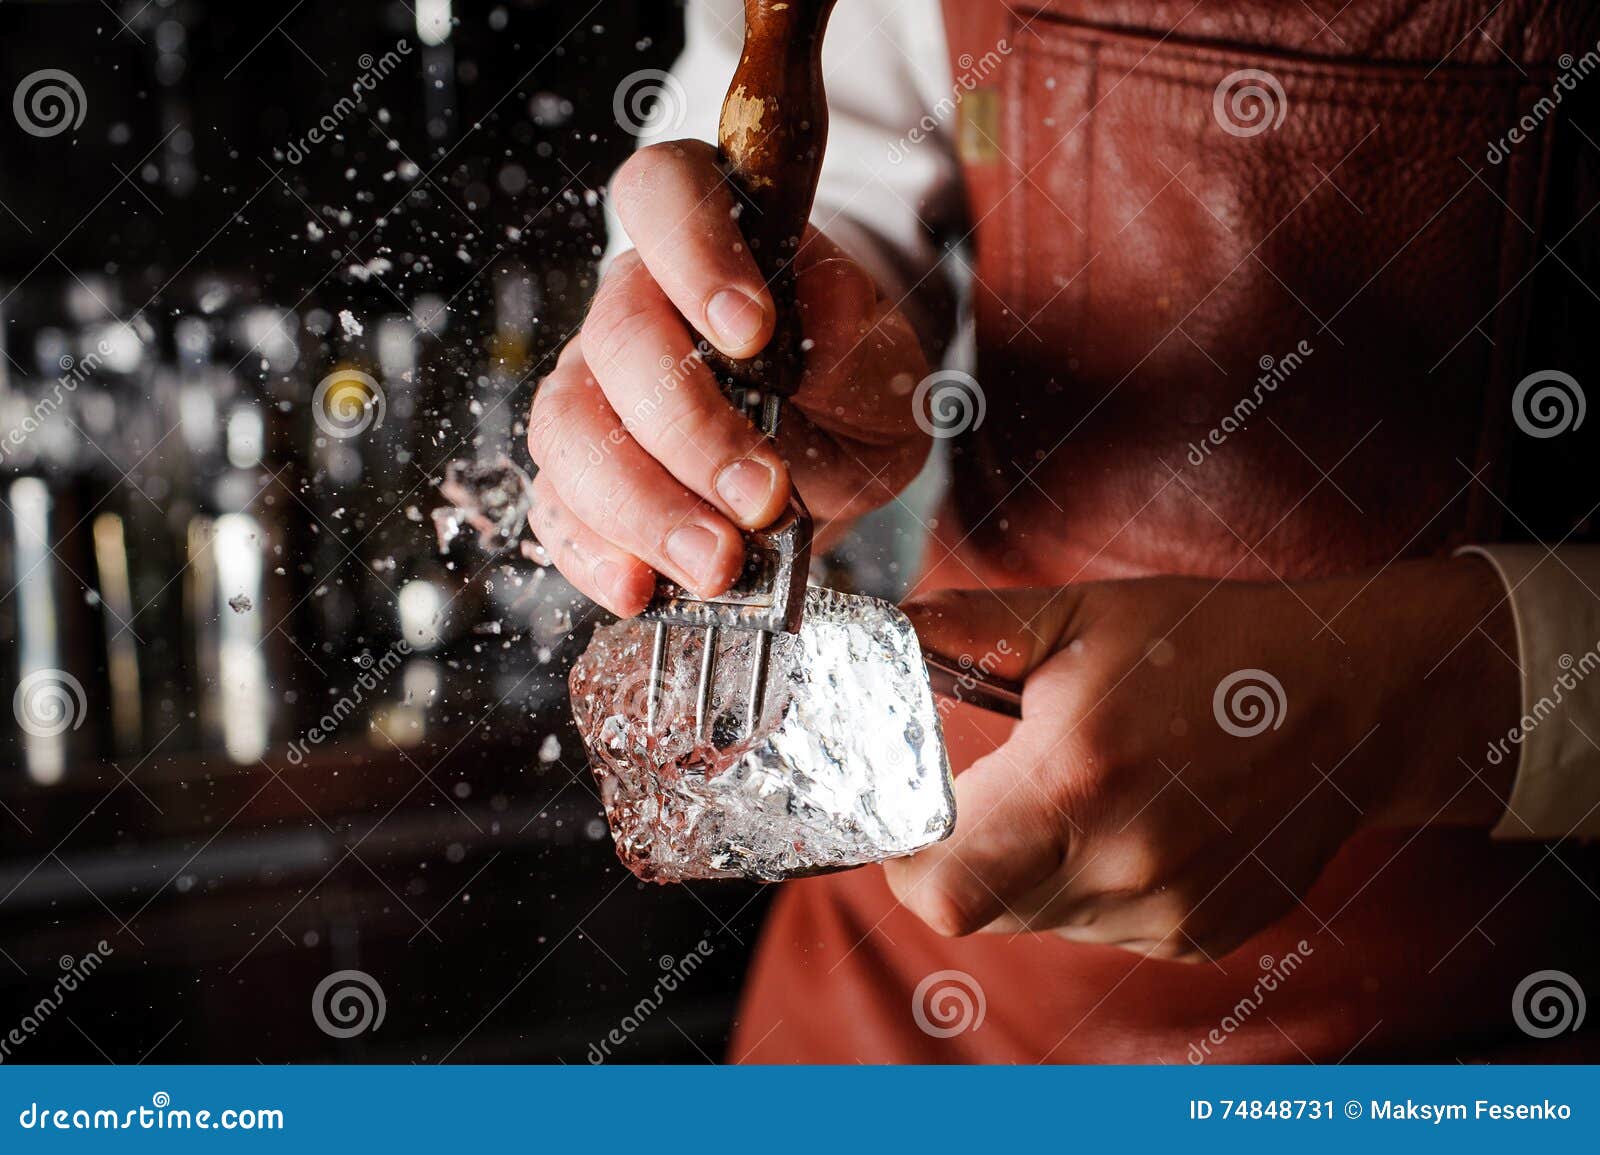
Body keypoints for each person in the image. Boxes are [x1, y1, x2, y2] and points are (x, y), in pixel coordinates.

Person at [527, 0, 1600, 1061]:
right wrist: (787, 344)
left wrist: (1418, 702)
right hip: (916, 989)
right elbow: (855, 161)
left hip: (1491, 1009)